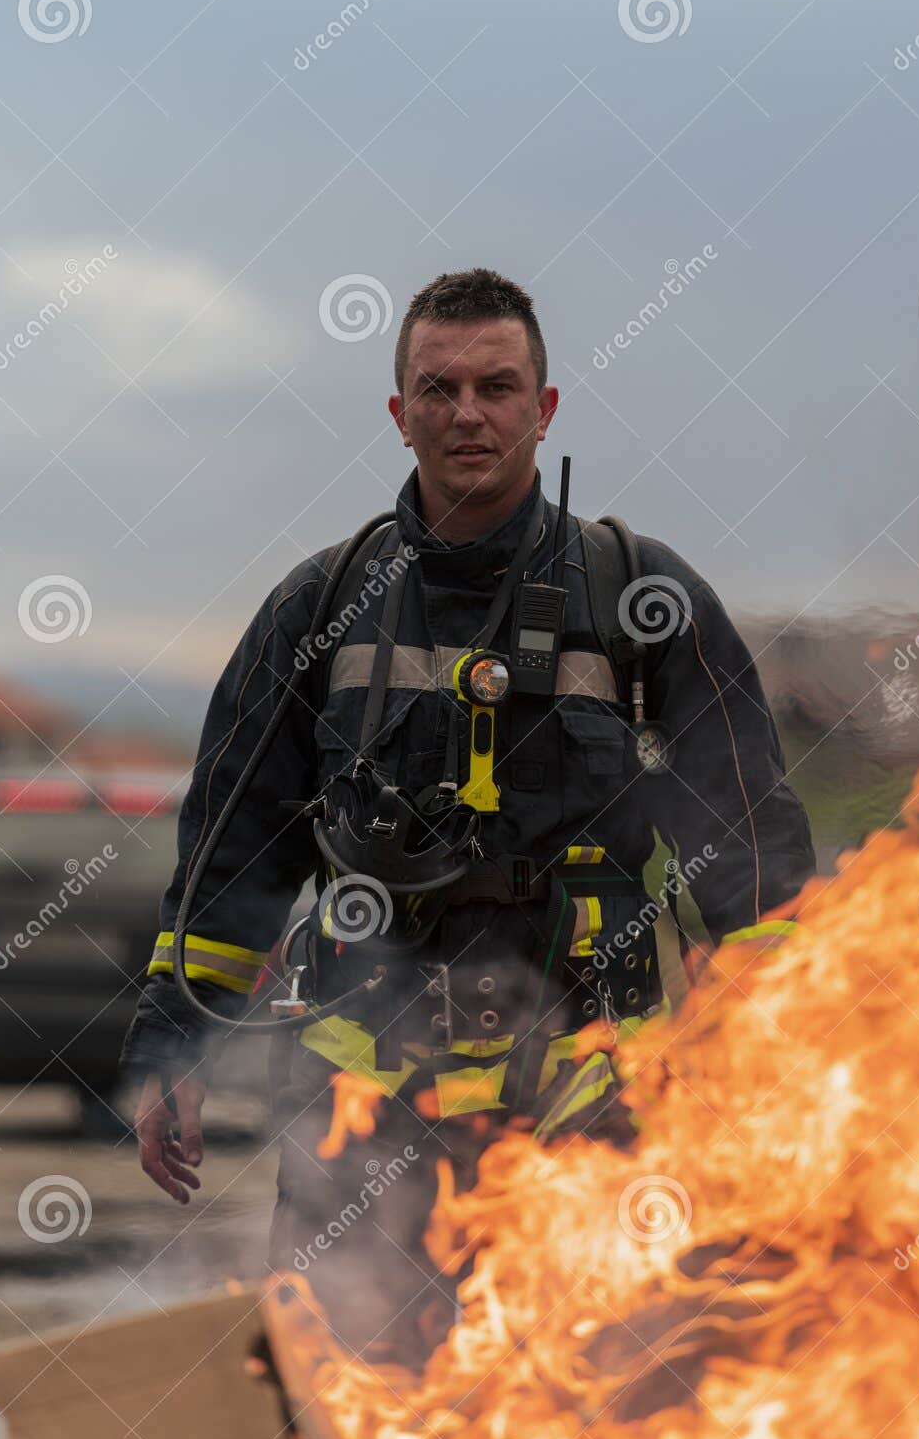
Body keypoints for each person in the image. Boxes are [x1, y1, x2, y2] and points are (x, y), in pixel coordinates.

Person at [125, 267, 815, 1369]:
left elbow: (750, 842)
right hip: (363, 1114)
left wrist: (790, 1048)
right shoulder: (320, 606)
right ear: (399, 415)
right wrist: (174, 1042)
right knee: (351, 1413)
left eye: (497, 386)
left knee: (607, 1409)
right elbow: (234, 848)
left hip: (591, 1103)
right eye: (437, 389)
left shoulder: (641, 599)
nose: (467, 413)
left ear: (543, 410)